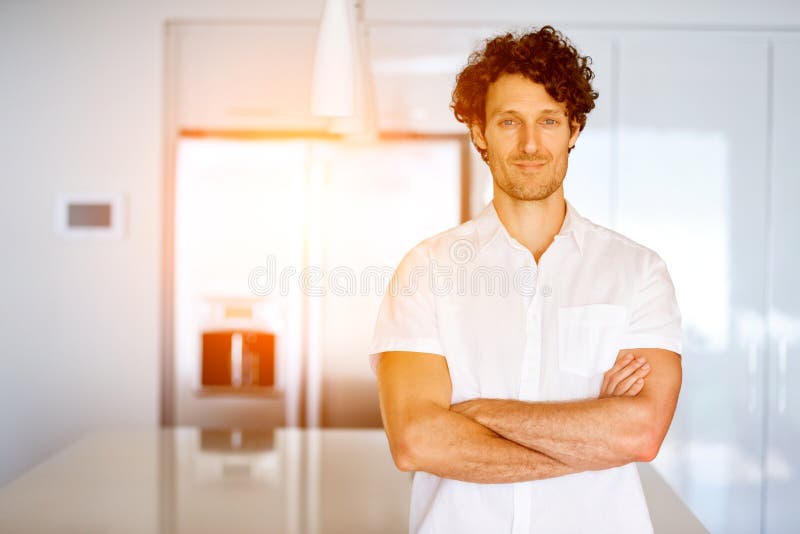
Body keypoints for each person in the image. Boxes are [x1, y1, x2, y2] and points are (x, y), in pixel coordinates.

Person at [369, 25, 682, 534]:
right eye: (509, 121)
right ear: (479, 132)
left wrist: (479, 413)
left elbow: (642, 434)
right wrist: (594, 441)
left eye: (549, 121)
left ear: (574, 129)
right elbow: (416, 442)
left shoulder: (639, 273)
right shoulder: (426, 271)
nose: (531, 143)